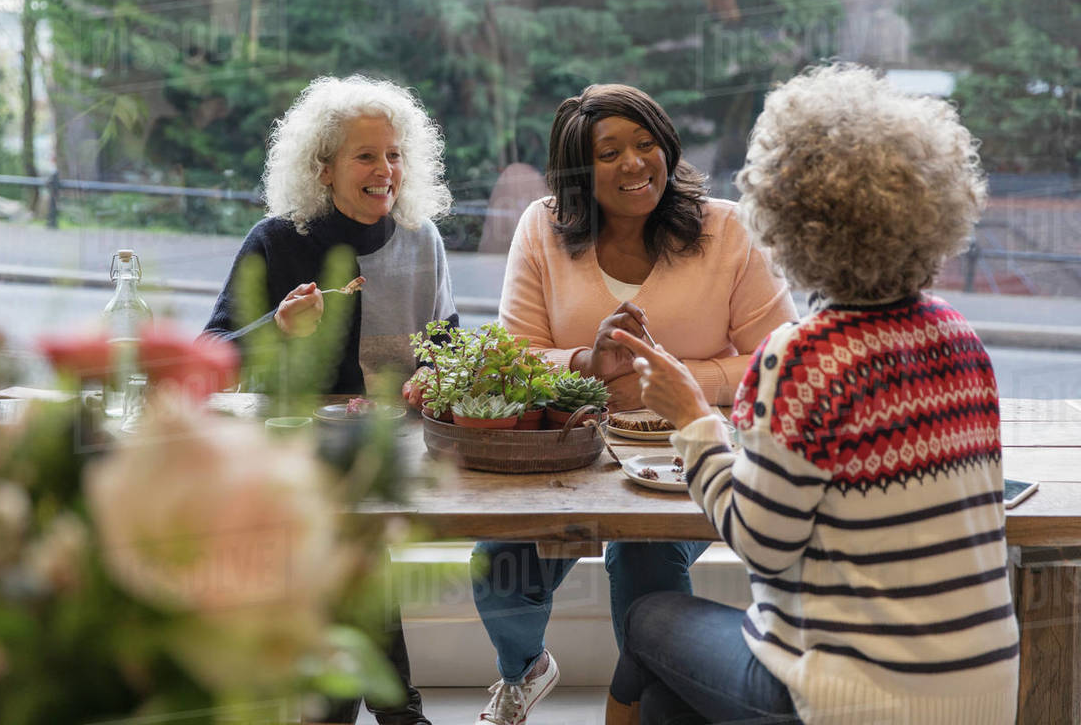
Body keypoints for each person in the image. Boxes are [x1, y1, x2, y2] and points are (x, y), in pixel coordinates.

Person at [607, 63, 1019, 724]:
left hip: (848, 703)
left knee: (647, 616)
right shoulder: (958, 335)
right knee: (665, 704)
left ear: (789, 221)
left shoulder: (806, 356)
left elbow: (761, 544)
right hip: (984, 695)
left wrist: (691, 420)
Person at [471, 84, 797, 725]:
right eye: (609, 152)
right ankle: (524, 670)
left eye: (647, 144)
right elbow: (512, 358)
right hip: (569, 450)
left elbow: (780, 358)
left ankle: (653, 709)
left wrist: (676, 380)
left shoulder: (726, 229)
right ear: (575, 171)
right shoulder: (542, 227)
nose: (634, 163)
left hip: (688, 453)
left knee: (644, 557)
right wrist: (587, 366)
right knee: (499, 565)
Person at [204, 74, 457, 725]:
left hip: (386, 454)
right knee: (353, 545)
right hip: (290, 457)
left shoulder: (421, 239)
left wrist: (434, 378)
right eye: (366, 155)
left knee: (354, 545)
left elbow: (447, 353)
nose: (385, 171)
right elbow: (211, 354)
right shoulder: (278, 241)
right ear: (323, 168)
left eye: (395, 154)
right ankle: (399, 713)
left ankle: (360, 713)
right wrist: (278, 329)